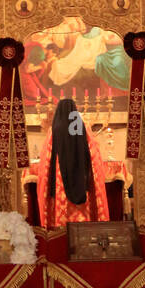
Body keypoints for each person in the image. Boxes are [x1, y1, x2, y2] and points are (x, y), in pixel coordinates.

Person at [36, 97, 109, 228]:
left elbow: (46, 156)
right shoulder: (83, 127)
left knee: (62, 202)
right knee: (81, 209)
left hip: (60, 178)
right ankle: (82, 224)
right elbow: (94, 152)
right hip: (81, 175)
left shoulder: (54, 129)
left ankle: (60, 227)